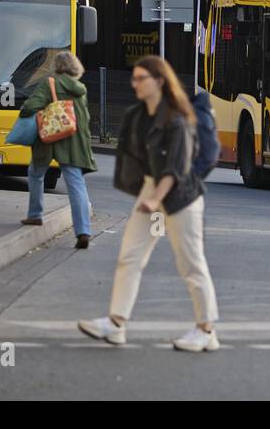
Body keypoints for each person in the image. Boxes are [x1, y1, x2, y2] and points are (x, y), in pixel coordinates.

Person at [79, 56, 219, 353]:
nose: (135, 84)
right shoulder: (140, 115)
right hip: (151, 188)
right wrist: (145, 191)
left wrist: (156, 198)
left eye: (141, 78)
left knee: (190, 262)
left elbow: (177, 167)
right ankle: (116, 324)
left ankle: (206, 330)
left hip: (180, 195)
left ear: (159, 81)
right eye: (134, 78)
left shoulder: (177, 119)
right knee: (130, 255)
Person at [17, 51, 95, 249]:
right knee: (76, 184)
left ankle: (35, 215)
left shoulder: (49, 83)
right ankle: (83, 231)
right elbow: (84, 119)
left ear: (57, 66)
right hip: (74, 141)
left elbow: (29, 107)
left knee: (35, 173)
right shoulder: (80, 89)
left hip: (51, 140)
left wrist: (35, 109)